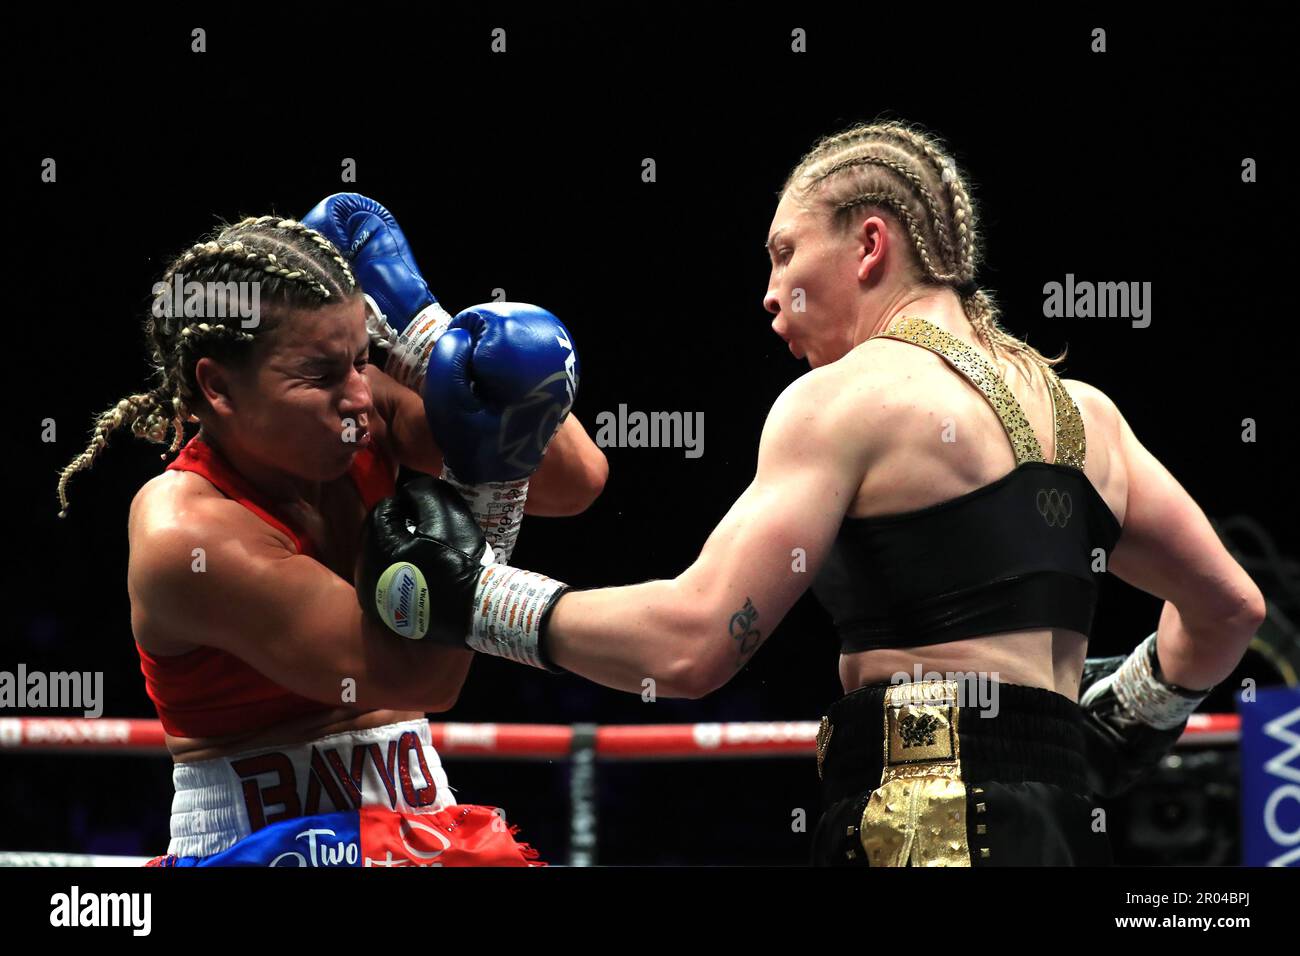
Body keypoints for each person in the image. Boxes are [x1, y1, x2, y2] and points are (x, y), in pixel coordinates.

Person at [355, 121, 1267, 866]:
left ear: (870, 244)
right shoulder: (1088, 416)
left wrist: (478, 601)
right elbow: (1230, 609)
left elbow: (692, 644)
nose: (769, 294)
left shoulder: (845, 399)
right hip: (1066, 827)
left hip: (925, 827)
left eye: (784, 253)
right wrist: (1125, 715)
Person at [56, 205, 608, 866]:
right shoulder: (188, 531)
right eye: (320, 375)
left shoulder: (357, 418)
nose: (358, 396)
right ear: (218, 386)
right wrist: (485, 496)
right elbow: (420, 679)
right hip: (259, 846)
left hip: (418, 822)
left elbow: (573, 480)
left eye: (363, 358)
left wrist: (426, 334)